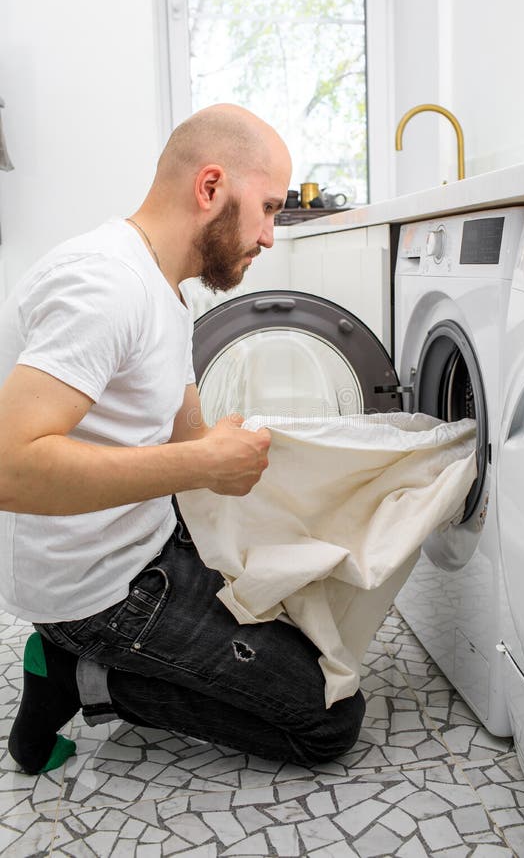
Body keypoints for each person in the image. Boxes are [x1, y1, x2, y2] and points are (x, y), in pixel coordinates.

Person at [0, 104, 365, 774]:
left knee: (316, 632)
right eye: (269, 208)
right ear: (210, 188)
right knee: (328, 720)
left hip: (145, 539)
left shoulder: (163, 291)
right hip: (99, 591)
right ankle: (80, 675)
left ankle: (76, 662)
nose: (270, 236)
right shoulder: (103, 285)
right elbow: (10, 469)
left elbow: (186, 435)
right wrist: (201, 461)